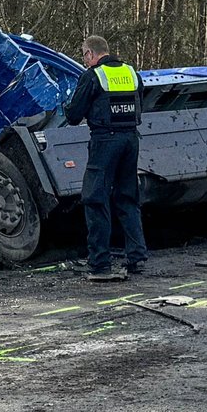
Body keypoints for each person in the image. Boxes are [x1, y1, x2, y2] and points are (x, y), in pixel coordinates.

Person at [62, 33, 147, 282]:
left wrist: (68, 107)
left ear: (90, 53)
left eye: (84, 55)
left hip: (105, 141)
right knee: (128, 197)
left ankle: (99, 262)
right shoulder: (131, 73)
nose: (84, 60)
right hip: (130, 139)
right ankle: (136, 258)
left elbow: (74, 115)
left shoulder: (93, 76)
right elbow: (140, 104)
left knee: (95, 198)